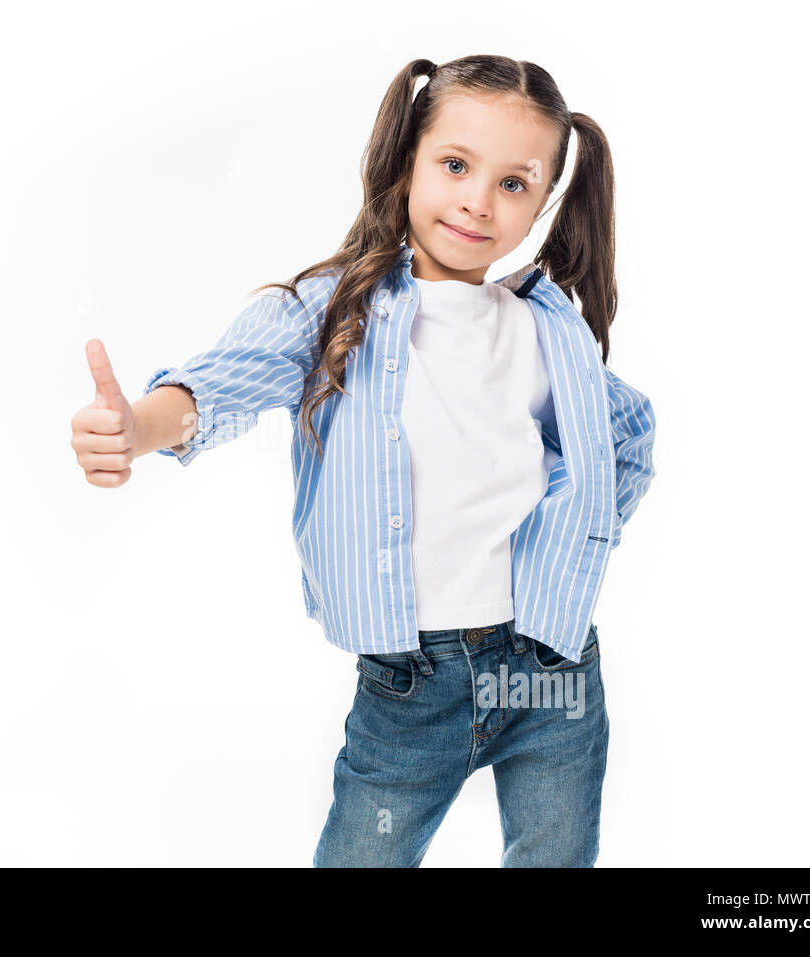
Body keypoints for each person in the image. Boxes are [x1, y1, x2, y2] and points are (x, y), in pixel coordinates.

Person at [69, 54, 657, 867]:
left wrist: (576, 539)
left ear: (543, 203)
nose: (478, 201)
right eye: (455, 164)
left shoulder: (540, 325)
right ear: (409, 157)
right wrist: (136, 426)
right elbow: (227, 381)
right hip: (411, 686)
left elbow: (623, 434)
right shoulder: (337, 308)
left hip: (550, 671)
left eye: (514, 184)